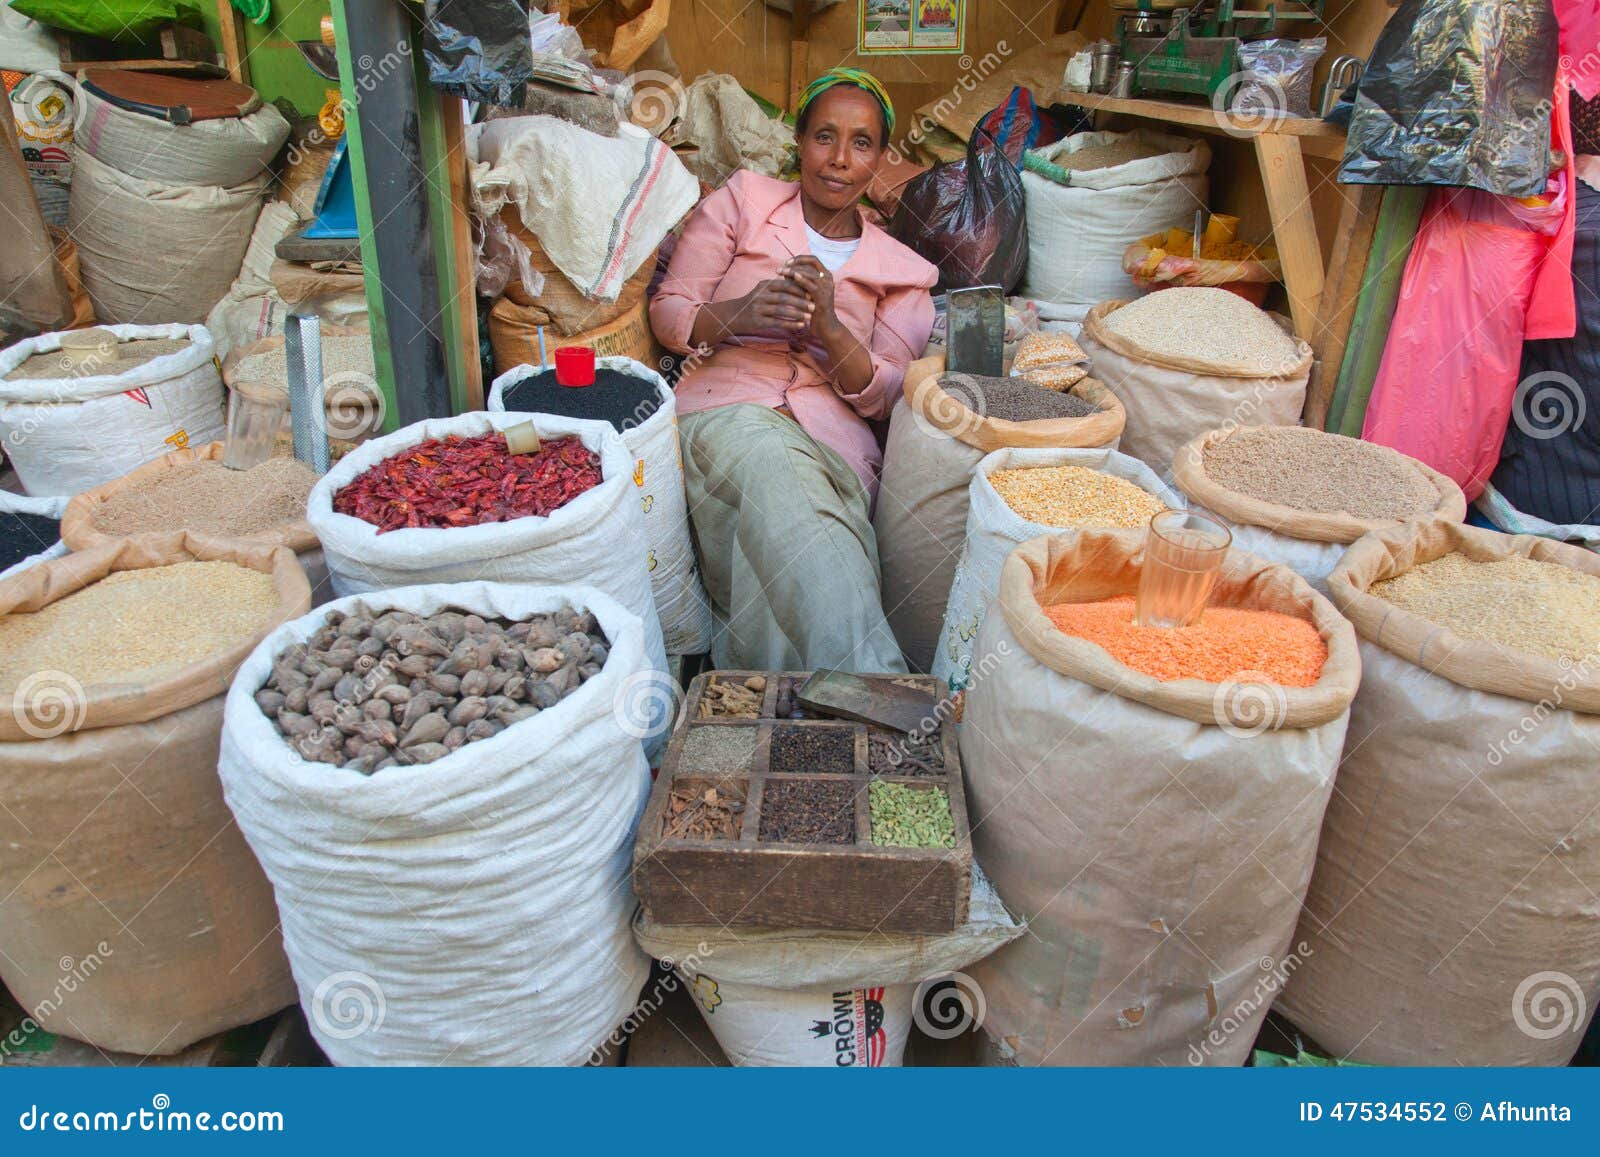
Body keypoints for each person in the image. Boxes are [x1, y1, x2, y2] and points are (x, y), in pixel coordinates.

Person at [650, 68, 936, 673]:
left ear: (880, 158)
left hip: (834, 445)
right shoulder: (743, 202)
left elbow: (887, 395)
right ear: (799, 144)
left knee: (811, 542)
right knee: (780, 479)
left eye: (861, 143)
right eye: (824, 136)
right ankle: (877, 685)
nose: (838, 159)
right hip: (727, 413)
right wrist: (739, 314)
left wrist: (831, 330)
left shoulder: (904, 271)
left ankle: (773, 709)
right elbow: (670, 311)